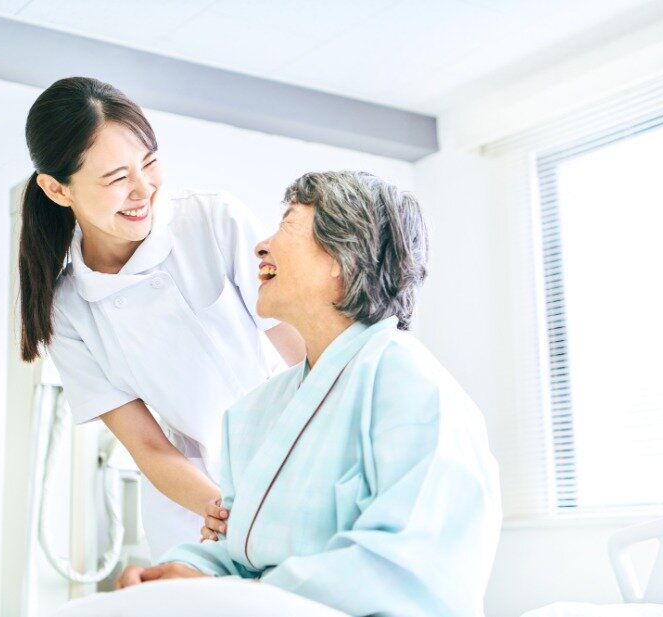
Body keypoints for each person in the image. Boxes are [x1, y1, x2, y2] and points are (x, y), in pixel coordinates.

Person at [114, 171, 503, 616]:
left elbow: (412, 568)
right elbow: (236, 548)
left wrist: (242, 594)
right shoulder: (252, 414)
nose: (261, 246)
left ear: (343, 256)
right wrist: (177, 572)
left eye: (288, 224)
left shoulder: (413, 387)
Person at [18, 77, 305, 558]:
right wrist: (222, 511)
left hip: (290, 458)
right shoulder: (68, 309)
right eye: (116, 179)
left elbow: (308, 354)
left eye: (149, 162)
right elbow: (148, 446)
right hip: (192, 507)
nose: (143, 189)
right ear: (56, 189)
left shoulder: (213, 221)